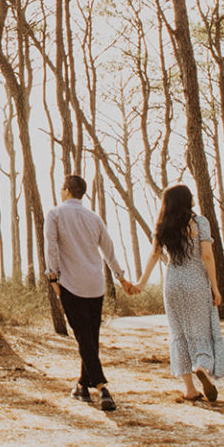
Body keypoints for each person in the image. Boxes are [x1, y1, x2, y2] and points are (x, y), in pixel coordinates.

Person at [129, 183, 224, 402]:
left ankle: (189, 389)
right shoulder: (200, 222)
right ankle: (202, 365)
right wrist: (214, 287)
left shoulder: (162, 226)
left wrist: (141, 283)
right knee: (201, 330)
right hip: (196, 281)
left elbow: (154, 256)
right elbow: (207, 256)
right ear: (186, 200)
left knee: (178, 333)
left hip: (173, 282)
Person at [45, 174, 133, 411]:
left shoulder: (54, 214)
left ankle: (102, 388)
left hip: (71, 285)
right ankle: (82, 386)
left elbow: (51, 247)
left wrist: (52, 277)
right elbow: (109, 249)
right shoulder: (94, 217)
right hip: (95, 285)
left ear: (66, 190)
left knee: (84, 338)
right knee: (89, 338)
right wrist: (121, 276)